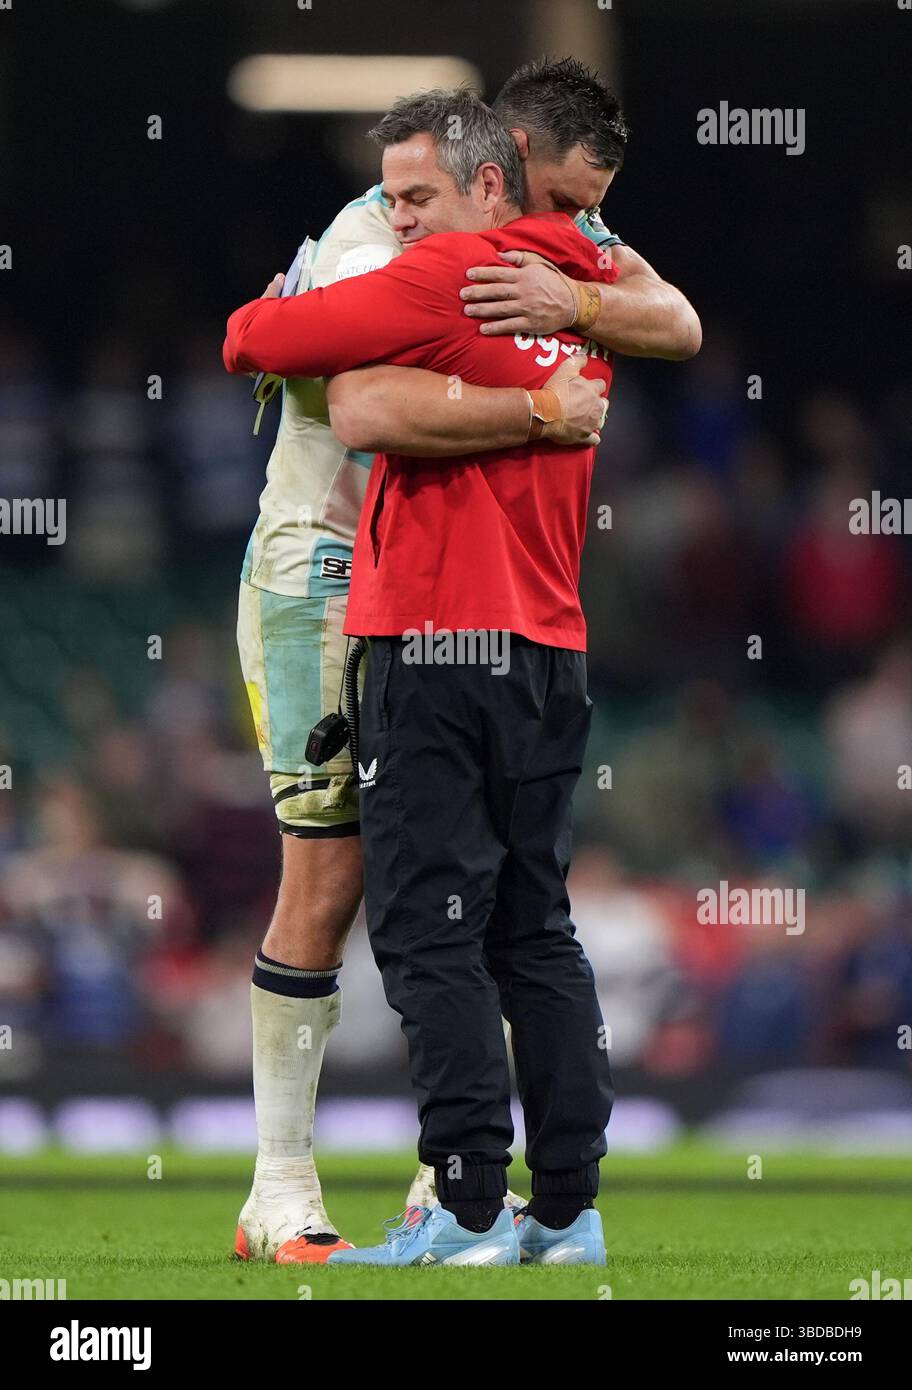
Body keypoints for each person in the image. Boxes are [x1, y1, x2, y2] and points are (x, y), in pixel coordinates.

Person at [232, 61, 700, 1265]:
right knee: (479, 913)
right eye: (571, 199)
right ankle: (535, 1206)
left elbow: (675, 320)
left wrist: (572, 302)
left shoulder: (538, 258)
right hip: (358, 580)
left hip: (432, 623)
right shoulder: (397, 242)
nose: (585, 227)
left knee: (434, 919)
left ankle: (467, 1200)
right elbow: (363, 407)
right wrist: (550, 398)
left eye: (591, 212)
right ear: (511, 166)